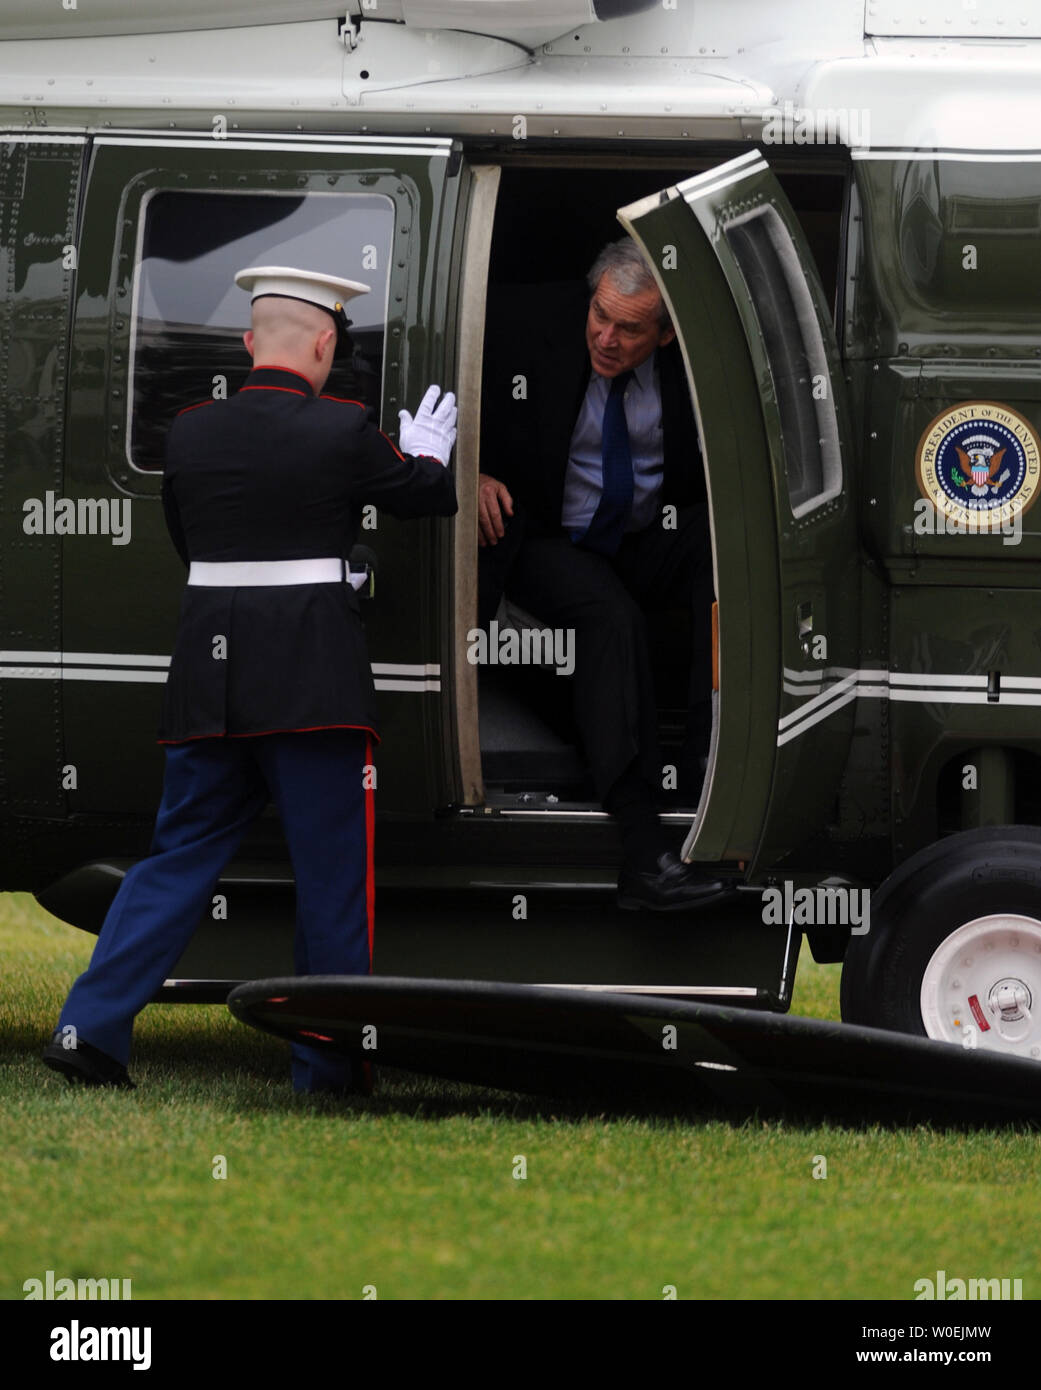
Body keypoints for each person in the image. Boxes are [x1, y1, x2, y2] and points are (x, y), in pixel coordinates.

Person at [43, 265, 458, 1092]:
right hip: (311, 688)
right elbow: (426, 496)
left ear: (246, 342)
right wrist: (426, 453)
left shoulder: (190, 430)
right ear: (324, 343)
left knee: (174, 862)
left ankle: (87, 1030)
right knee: (332, 879)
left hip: (210, 682)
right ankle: (328, 1065)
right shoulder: (343, 428)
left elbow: (192, 547)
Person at [478, 238, 722, 910]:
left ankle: (711, 763)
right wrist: (467, 470)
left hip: (644, 534)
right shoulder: (525, 328)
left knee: (724, 548)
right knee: (610, 620)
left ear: (668, 334)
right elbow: (431, 379)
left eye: (630, 328)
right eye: (599, 317)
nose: (607, 339)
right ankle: (644, 853)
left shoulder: (695, 363)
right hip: (547, 534)